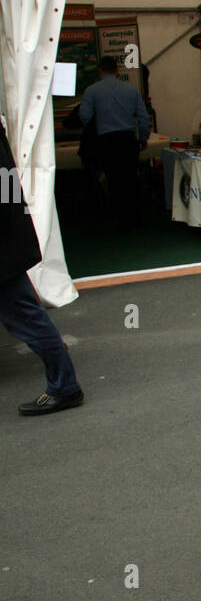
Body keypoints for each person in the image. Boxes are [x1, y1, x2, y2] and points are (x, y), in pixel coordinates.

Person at [0, 115, 84, 415]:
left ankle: (65, 386)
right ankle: (64, 385)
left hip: (5, 244)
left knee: (24, 315)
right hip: (7, 239)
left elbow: (6, 186)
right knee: (23, 314)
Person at [79, 56, 150, 228]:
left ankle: (120, 220)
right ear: (117, 70)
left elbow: (85, 116)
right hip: (128, 140)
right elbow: (143, 117)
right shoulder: (131, 90)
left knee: (113, 179)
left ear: (100, 70)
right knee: (131, 178)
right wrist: (143, 138)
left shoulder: (92, 91)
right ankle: (136, 218)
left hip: (107, 141)